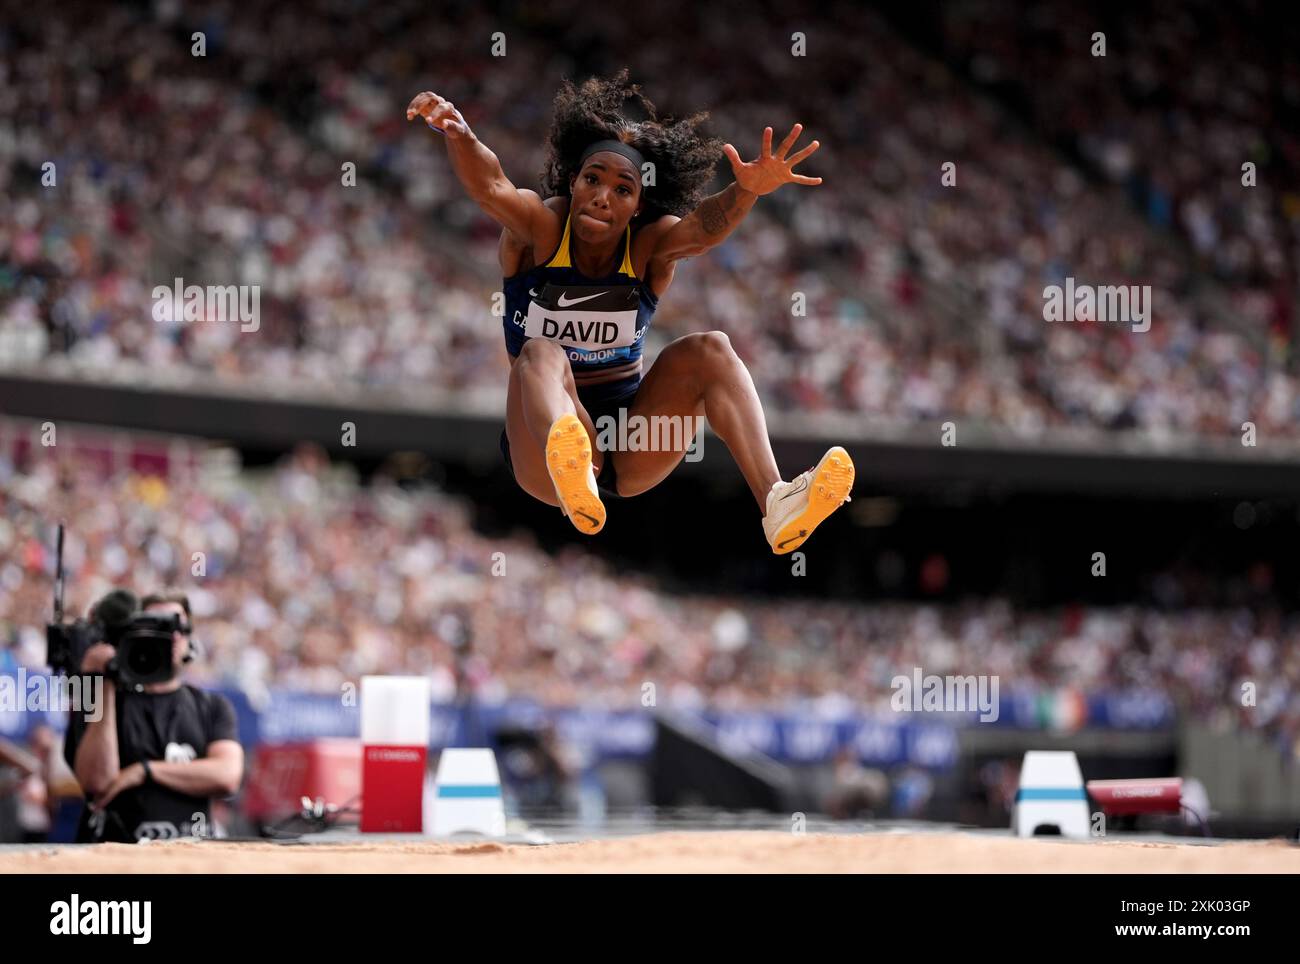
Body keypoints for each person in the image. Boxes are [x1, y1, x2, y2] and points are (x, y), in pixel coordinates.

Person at [406, 70, 854, 553]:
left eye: (622, 189)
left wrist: (746, 191)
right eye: (592, 179)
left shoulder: (647, 247)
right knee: (541, 353)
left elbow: (702, 232)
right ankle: (570, 460)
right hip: (539, 449)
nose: (602, 195)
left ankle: (777, 501)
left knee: (711, 349)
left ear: (638, 207)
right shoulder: (540, 227)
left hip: (631, 440)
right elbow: (491, 187)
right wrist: (459, 132)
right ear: (572, 183)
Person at [63, 589, 244, 842]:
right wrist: (102, 682)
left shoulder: (212, 706)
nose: (168, 637)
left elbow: (227, 776)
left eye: (174, 625)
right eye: (153, 626)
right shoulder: (100, 696)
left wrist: (144, 771)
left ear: (189, 637)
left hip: (191, 859)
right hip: (114, 857)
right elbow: (97, 782)